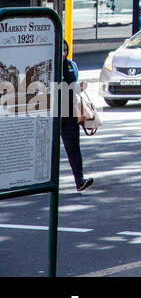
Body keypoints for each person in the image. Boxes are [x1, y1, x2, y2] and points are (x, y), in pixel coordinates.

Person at [58, 42, 93, 193]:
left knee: (73, 146)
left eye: (66, 50)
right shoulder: (48, 66)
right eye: (61, 50)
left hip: (70, 113)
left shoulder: (71, 65)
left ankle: (79, 180)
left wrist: (80, 87)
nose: (64, 53)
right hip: (52, 114)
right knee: (47, 150)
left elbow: (75, 86)